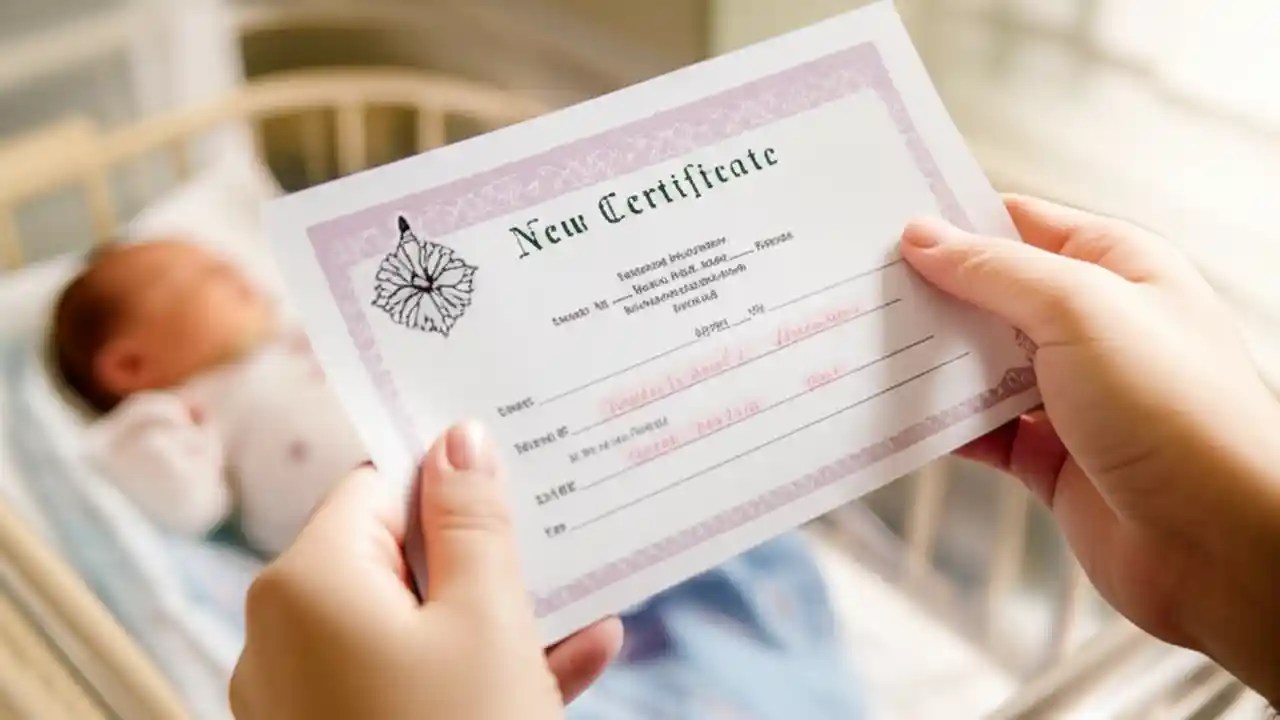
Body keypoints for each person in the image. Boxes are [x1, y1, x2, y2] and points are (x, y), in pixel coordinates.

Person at [231, 196, 1280, 718]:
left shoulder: (289, 332)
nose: (222, 284)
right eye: (185, 280)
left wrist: (1232, 553)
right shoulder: (200, 407)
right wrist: (1230, 560)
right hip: (434, 537)